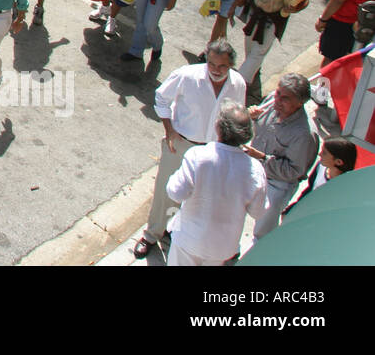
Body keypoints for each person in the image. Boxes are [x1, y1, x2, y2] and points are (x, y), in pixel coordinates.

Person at [134, 39, 246, 258]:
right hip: (182, 145)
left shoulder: (238, 84)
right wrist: (169, 131)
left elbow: (235, 114)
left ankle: (174, 230)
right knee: (166, 192)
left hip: (213, 150)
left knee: (195, 196)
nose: (216, 70)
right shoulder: (187, 75)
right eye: (212, 64)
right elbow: (161, 98)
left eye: (222, 66)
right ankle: (151, 234)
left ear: (231, 65)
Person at [164, 101, 266, 266]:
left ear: (218, 127)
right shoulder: (255, 169)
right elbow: (259, 212)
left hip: (189, 239)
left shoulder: (198, 156)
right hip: (221, 248)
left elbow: (176, 192)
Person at [245, 73, 319, 241]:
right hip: (252, 167)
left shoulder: (303, 134)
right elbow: (255, 130)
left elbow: (293, 171)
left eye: (285, 98)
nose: (277, 99)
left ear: (300, 103)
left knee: (263, 231)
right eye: (278, 93)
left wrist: (263, 158)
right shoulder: (272, 101)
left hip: (277, 184)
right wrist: (251, 118)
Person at [237, 0, 309, 89]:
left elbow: (304, 0)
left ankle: (238, 83)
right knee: (250, 51)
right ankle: (254, 75)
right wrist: (235, 5)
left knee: (257, 53)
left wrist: (293, 8)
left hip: (272, 21)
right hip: (254, 15)